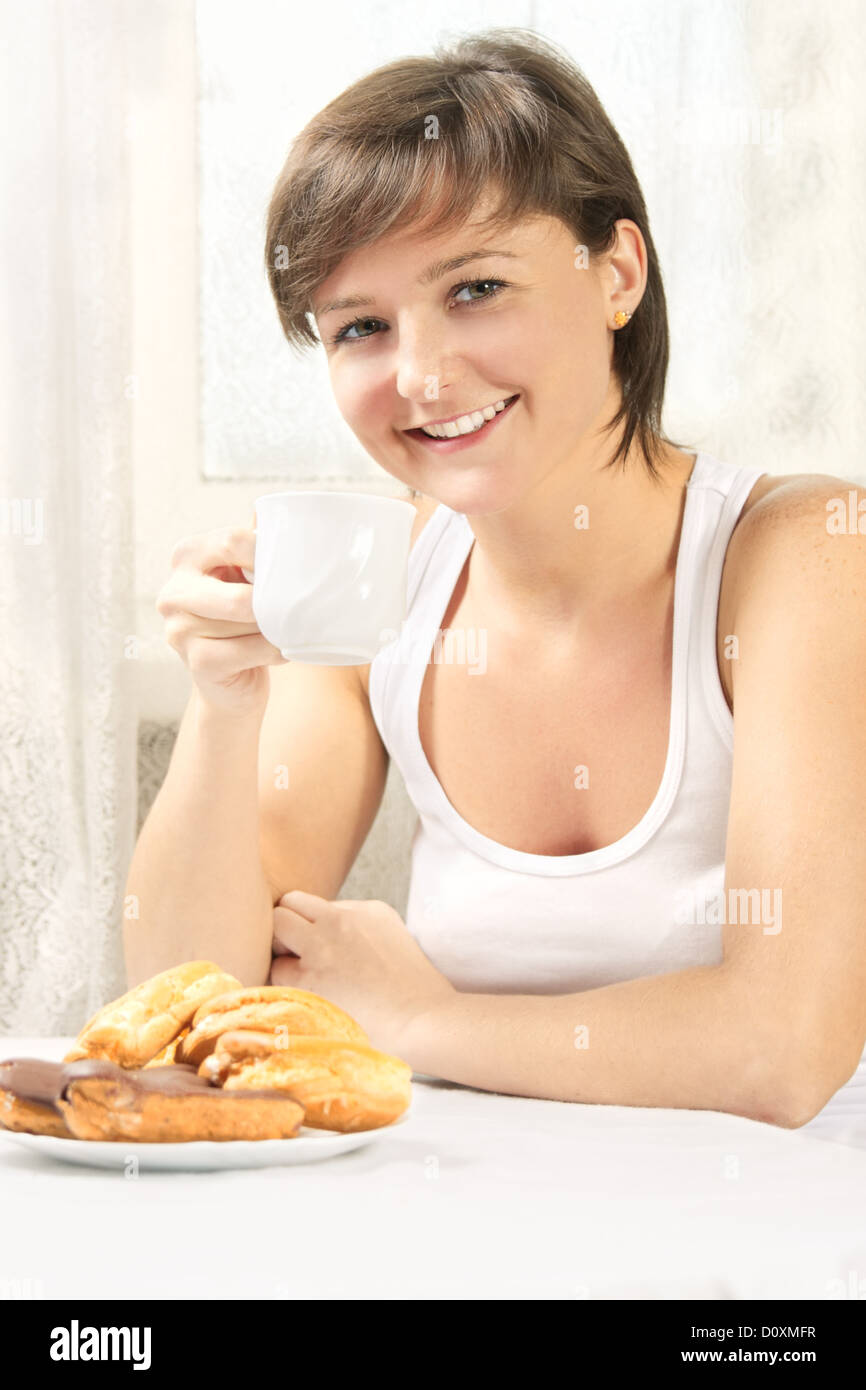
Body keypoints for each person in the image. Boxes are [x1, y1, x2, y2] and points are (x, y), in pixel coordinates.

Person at [127, 29, 866, 1129]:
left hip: (773, 1261)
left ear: (614, 272)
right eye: (360, 327)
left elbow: (779, 1046)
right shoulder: (385, 588)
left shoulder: (803, 552)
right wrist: (226, 701)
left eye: (475, 287)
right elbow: (192, 1004)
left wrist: (419, 1018)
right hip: (470, 1239)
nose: (420, 375)